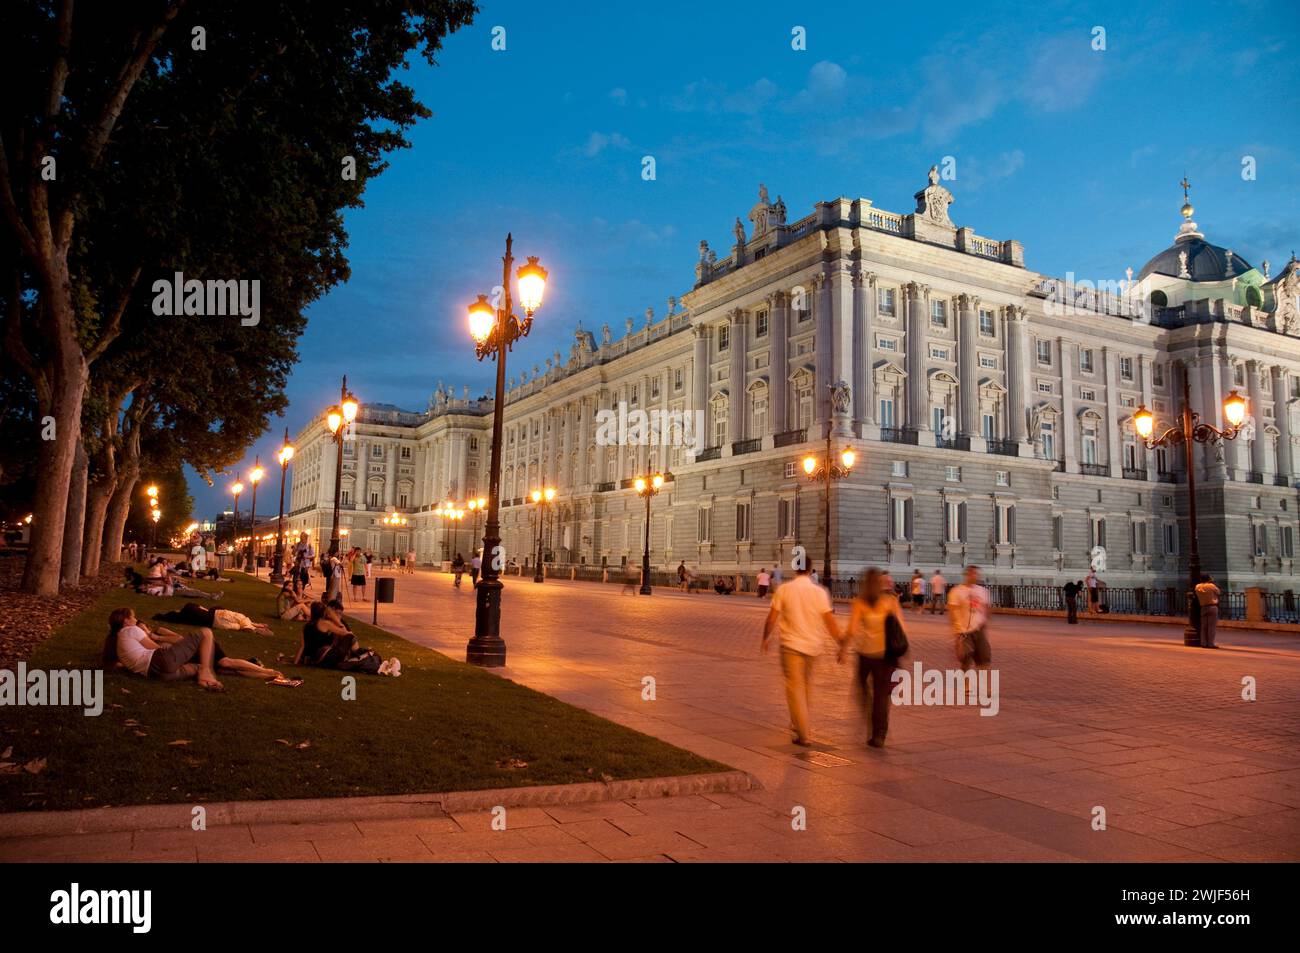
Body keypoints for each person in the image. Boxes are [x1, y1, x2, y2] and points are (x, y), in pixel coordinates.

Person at [102, 607, 282, 690]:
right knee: (205, 634)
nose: (135, 620)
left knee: (219, 668)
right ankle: (205, 674)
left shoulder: (117, 643)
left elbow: (131, 659)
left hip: (157, 674)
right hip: (163, 662)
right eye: (132, 618)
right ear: (125, 621)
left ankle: (207, 678)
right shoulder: (130, 630)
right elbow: (157, 648)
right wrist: (156, 638)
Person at [762, 563, 841, 747]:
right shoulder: (820, 592)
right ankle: (797, 721)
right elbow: (830, 622)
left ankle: (803, 733)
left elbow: (772, 618)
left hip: (791, 646)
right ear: (810, 568)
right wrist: (841, 643)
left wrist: (765, 638)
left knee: (794, 687)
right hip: (813, 647)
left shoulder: (784, 589)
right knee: (804, 686)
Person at [843, 568, 907, 748]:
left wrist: (843, 647)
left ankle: (871, 716)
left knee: (862, 686)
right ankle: (880, 733)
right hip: (885, 655)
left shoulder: (860, 603)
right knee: (881, 694)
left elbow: (852, 629)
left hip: (865, 653)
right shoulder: (890, 601)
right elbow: (901, 627)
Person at [297, 601, 400, 675]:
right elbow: (345, 633)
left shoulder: (306, 626)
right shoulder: (324, 623)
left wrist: (296, 662)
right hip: (327, 657)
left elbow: (303, 646)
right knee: (350, 636)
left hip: (317, 660)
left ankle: (358, 655)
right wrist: (335, 619)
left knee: (351, 642)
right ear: (323, 613)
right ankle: (358, 654)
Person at [947, 565, 993, 686]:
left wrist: (985, 622)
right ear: (967, 575)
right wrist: (956, 629)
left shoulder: (983, 591)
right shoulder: (956, 591)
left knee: (985, 658)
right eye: (973, 574)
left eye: (977, 574)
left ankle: (985, 685)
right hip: (963, 630)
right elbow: (952, 611)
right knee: (966, 658)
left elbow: (987, 608)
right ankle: (967, 683)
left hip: (979, 628)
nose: (975, 576)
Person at [153, 602, 275, 635]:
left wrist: (256, 628)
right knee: (187, 613)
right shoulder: (245, 621)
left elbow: (245, 626)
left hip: (214, 618)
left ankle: (176, 613)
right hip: (215, 616)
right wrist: (257, 625)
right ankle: (174, 614)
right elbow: (246, 624)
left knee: (189, 607)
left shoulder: (245, 623)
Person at [1194, 573, 1220, 648]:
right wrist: (1211, 582)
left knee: (1204, 626)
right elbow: (1218, 592)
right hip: (1212, 607)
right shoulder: (1211, 586)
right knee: (1211, 627)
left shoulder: (1197, 586)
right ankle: (1210, 643)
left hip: (1203, 607)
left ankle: (1204, 643)